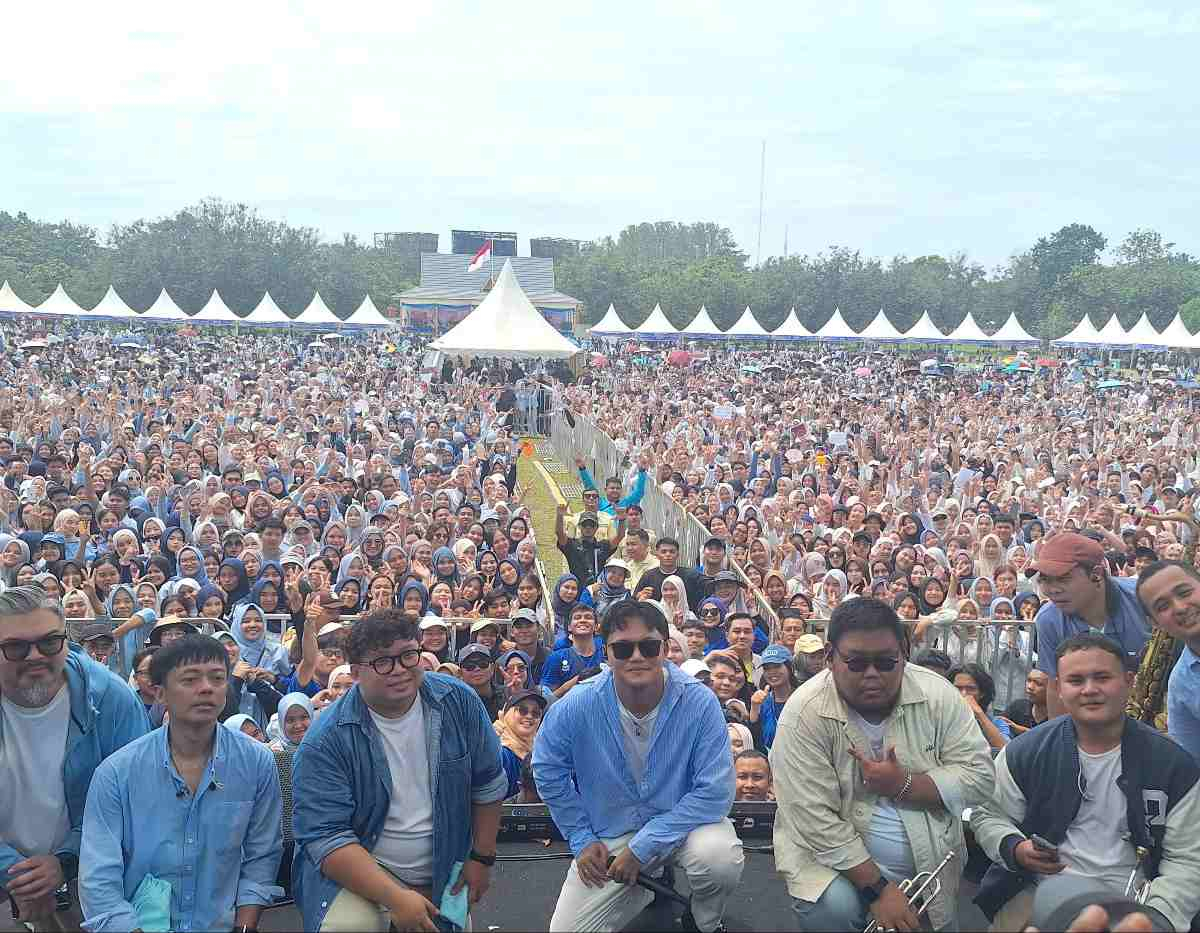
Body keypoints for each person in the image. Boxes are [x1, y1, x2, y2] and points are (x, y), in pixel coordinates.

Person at [771, 596, 993, 932]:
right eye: (857, 663)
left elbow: (980, 777)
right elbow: (812, 819)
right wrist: (879, 890)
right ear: (829, 658)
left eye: (886, 662)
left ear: (904, 652)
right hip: (831, 867)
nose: (872, 674)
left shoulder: (940, 694)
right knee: (835, 910)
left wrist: (904, 784)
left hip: (930, 864)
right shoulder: (803, 714)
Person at [290, 609, 507, 932]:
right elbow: (327, 837)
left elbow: (488, 784)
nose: (399, 670)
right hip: (357, 872)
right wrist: (397, 898)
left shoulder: (458, 701)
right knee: (349, 927)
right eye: (382, 662)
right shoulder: (325, 740)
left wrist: (481, 858)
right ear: (356, 671)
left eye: (408, 655)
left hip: (443, 863)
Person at [534, 600, 744, 932]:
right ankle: (651, 884)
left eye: (648, 646)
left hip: (686, 825)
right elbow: (546, 768)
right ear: (607, 652)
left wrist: (643, 848)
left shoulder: (700, 702)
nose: (636, 656)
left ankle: (704, 921)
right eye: (623, 648)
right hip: (612, 831)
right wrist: (580, 837)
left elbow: (715, 792)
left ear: (664, 648)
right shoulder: (576, 704)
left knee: (719, 858)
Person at [970, 633, 1200, 932]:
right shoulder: (1025, 751)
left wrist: (1158, 918)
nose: (1090, 689)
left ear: (1129, 681)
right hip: (1035, 893)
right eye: (1076, 680)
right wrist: (1014, 847)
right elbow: (988, 815)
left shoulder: (1174, 764)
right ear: (1060, 689)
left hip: (1139, 903)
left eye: (1102, 677)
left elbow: (1187, 860)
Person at [79, 633, 283, 932]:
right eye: (190, 680)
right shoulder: (116, 773)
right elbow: (99, 878)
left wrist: (244, 927)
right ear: (160, 693)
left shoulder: (256, 762)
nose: (206, 689)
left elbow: (261, 857)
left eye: (217, 678)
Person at [0, 587, 147, 929]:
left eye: (50, 641)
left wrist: (65, 862)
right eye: (16, 646)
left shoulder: (113, 698)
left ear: (66, 640)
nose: (35, 655)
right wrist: (19, 876)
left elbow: (135, 800)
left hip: (93, 877)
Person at [1030, 533, 1151, 718]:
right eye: (1044, 579)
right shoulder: (1047, 620)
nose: (1052, 590)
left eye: (1063, 579)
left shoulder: (1143, 598)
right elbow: (1055, 687)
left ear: (1096, 574)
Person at [1135, 560, 1200, 763]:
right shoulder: (1180, 684)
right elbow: (1190, 763)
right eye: (1163, 606)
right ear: (1154, 623)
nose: (1180, 607)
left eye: (1184, 593)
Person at [540, 603, 605, 698]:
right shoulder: (556, 658)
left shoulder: (606, 654)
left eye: (588, 617)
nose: (583, 620)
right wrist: (577, 681)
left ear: (596, 626)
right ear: (569, 627)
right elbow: (547, 700)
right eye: (577, 617)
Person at [495, 688, 546, 800]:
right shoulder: (499, 752)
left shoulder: (543, 752)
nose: (529, 716)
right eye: (522, 710)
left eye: (535, 713)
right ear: (506, 714)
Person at [949, 662, 1011, 750]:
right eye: (958, 688)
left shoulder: (997, 723)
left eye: (970, 689)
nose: (963, 694)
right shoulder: (942, 718)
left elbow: (1005, 751)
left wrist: (979, 714)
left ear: (982, 693)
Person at [749, 644, 799, 751]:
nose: (772, 672)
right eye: (767, 668)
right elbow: (756, 740)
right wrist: (754, 707)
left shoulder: (802, 698)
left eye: (777, 666)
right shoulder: (763, 701)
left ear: (789, 667)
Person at [999, 669, 1050, 737]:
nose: (1030, 687)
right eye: (1029, 680)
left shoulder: (1058, 716)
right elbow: (997, 724)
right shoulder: (1018, 706)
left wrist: (1022, 730)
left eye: (1038, 683)